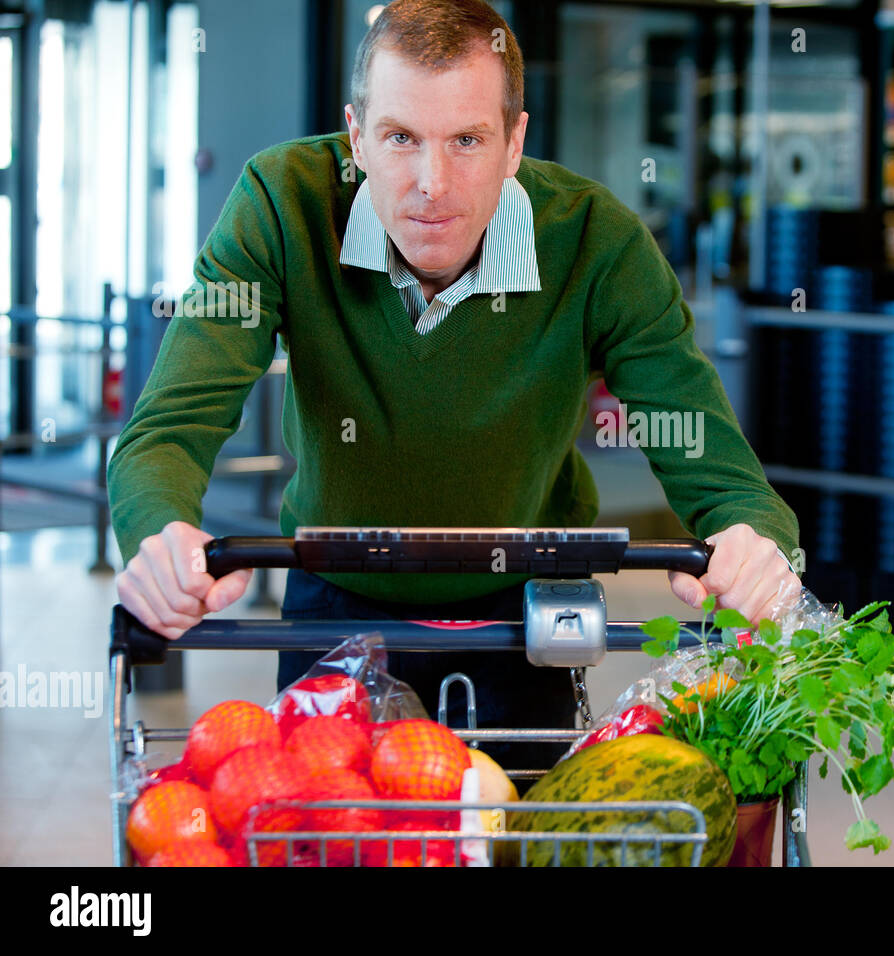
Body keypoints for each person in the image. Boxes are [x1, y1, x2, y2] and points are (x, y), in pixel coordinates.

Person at [108, 0, 800, 770]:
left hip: (529, 615)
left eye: (467, 140)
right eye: (401, 138)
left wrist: (753, 537)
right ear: (356, 137)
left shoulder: (597, 243)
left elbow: (706, 452)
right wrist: (158, 532)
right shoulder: (281, 203)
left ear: (515, 143)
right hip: (330, 602)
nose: (432, 183)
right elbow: (170, 426)